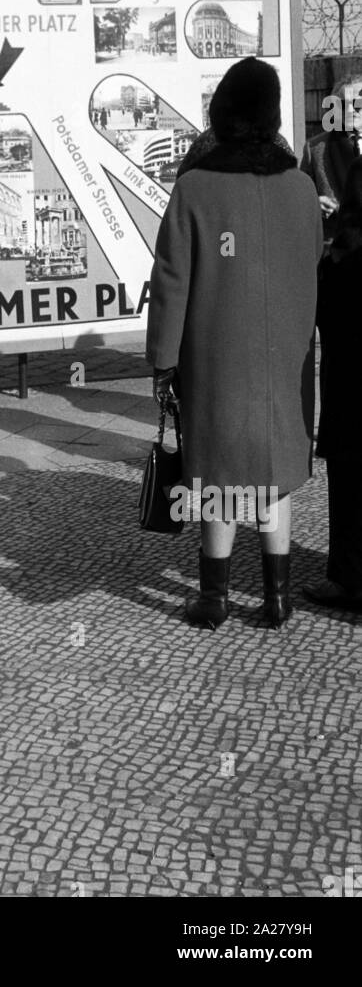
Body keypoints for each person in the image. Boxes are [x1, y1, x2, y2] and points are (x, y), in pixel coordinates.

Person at [147, 57, 323, 629]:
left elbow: (171, 280)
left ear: (221, 115)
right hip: (285, 358)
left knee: (221, 474)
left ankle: (215, 598)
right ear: (272, 118)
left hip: (214, 357)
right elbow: (312, 260)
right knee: (273, 473)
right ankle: (277, 598)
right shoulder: (301, 187)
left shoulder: (194, 189)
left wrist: (163, 361)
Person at [302, 156, 362, 609]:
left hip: (351, 398)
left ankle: (347, 578)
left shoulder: (340, 262)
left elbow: (318, 317)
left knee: (350, 487)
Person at [299, 73, 362, 239]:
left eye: (357, 104)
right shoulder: (315, 149)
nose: (350, 110)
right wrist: (314, 205)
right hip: (334, 250)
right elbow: (300, 201)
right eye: (343, 104)